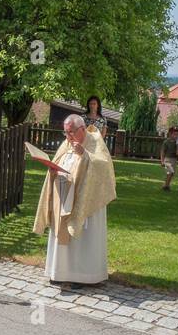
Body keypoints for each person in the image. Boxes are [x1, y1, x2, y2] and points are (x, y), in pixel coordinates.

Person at [33, 115, 116, 285]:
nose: (68, 137)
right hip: (64, 194)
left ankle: (83, 276)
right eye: (66, 133)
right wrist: (53, 171)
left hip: (86, 200)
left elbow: (103, 167)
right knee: (61, 232)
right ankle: (60, 273)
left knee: (82, 237)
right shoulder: (67, 143)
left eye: (71, 132)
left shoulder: (95, 141)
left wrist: (85, 155)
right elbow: (60, 161)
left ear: (82, 129)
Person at [159, 125, 178, 191]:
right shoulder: (166, 142)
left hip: (174, 159)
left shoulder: (177, 142)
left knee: (172, 173)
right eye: (174, 134)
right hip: (167, 159)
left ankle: (167, 185)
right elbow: (162, 152)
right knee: (170, 172)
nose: (176, 136)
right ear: (170, 134)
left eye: (177, 134)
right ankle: (165, 186)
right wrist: (162, 161)